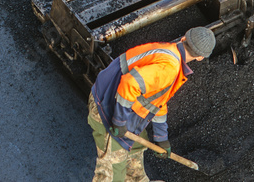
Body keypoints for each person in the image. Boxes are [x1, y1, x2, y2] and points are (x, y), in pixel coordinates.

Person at [87, 27, 216, 182]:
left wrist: (161, 137)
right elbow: (129, 84)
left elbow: (156, 102)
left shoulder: (168, 50)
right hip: (107, 108)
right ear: (201, 57)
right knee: (112, 175)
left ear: (183, 38)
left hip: (120, 105)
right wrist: (119, 121)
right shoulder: (169, 67)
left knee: (135, 158)